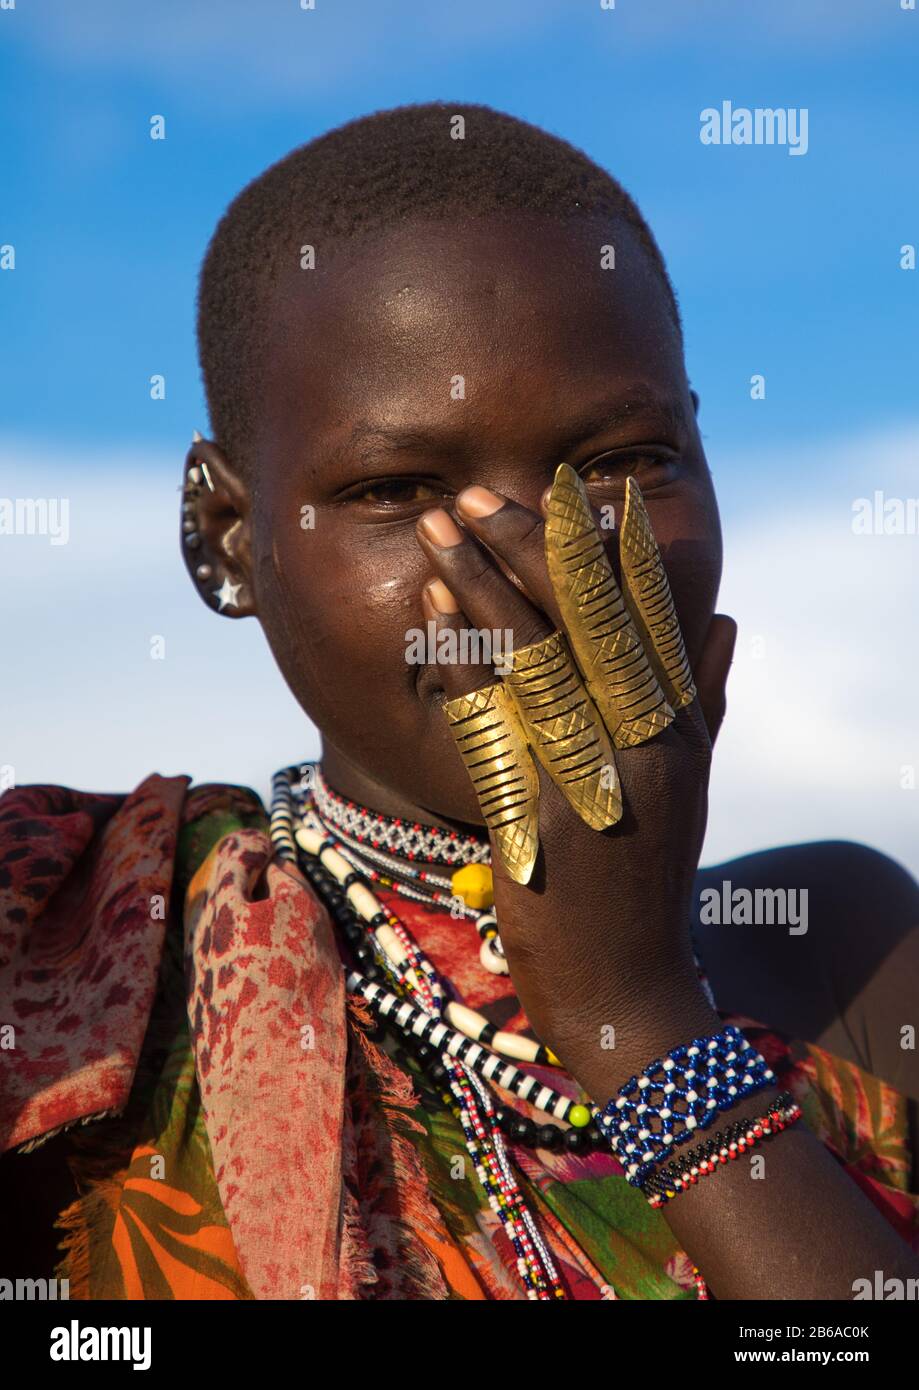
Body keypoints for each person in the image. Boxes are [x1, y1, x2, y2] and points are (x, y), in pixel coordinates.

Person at [2, 102, 918, 1301]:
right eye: (397, 488)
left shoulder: (845, 952)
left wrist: (634, 1017)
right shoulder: (65, 958)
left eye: (620, 464)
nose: (534, 563)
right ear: (227, 540)